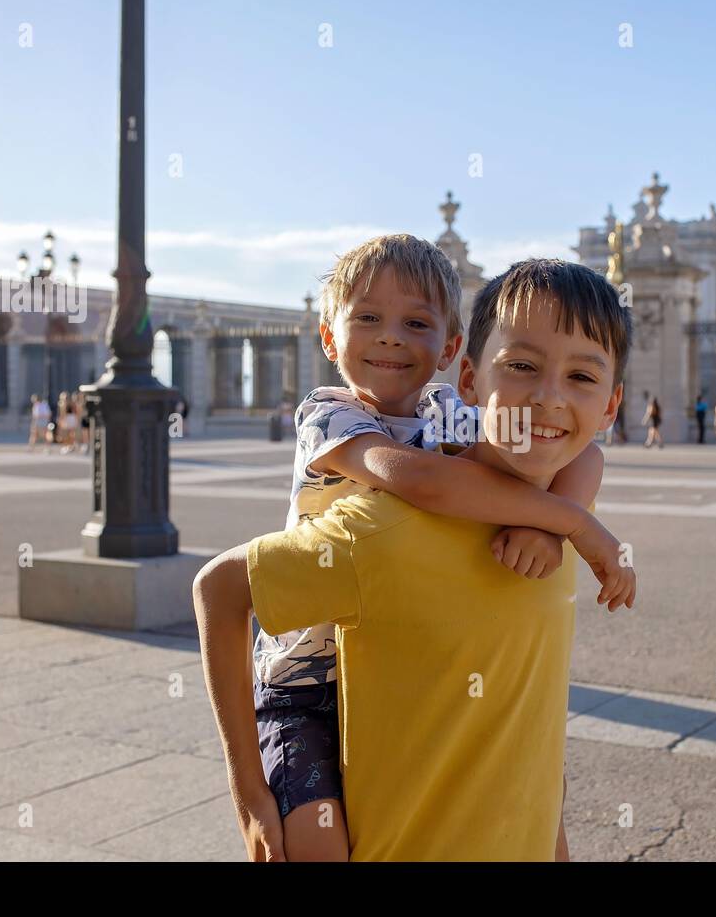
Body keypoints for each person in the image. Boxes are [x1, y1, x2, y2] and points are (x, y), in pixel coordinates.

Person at [195, 249, 636, 862]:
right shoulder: (334, 420)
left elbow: (584, 454)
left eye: (416, 324)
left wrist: (556, 526)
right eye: (369, 319)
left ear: (451, 350)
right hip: (300, 684)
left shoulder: (447, 425)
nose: (391, 340)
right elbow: (420, 482)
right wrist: (249, 793)